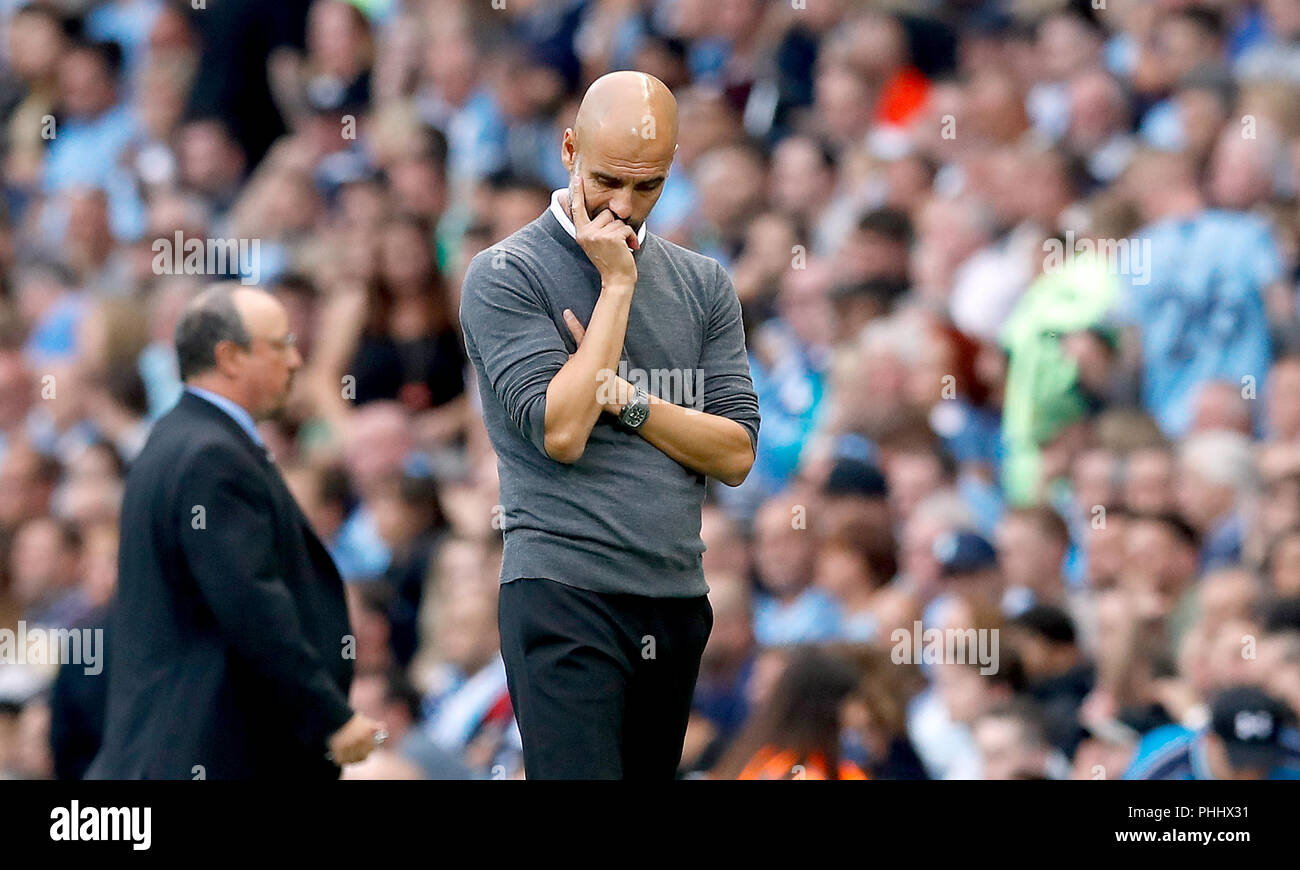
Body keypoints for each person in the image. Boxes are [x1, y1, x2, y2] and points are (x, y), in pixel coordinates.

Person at [458, 71, 760, 779]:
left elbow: (737, 452)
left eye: (647, 186)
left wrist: (622, 396)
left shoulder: (705, 283)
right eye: (607, 181)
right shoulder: (506, 273)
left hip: (676, 595)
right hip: (564, 590)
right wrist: (617, 285)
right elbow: (561, 431)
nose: (623, 206)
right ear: (568, 150)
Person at [88, 284, 384, 779]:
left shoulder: (175, 438)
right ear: (229, 357)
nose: (295, 361)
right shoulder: (212, 456)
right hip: (214, 750)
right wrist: (332, 717)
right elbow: (252, 605)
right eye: (281, 345)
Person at [1124, 686, 1300, 780]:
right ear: (1211, 741)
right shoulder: (1161, 768)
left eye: (1260, 765)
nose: (1249, 777)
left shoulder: (1292, 757)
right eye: (1238, 766)